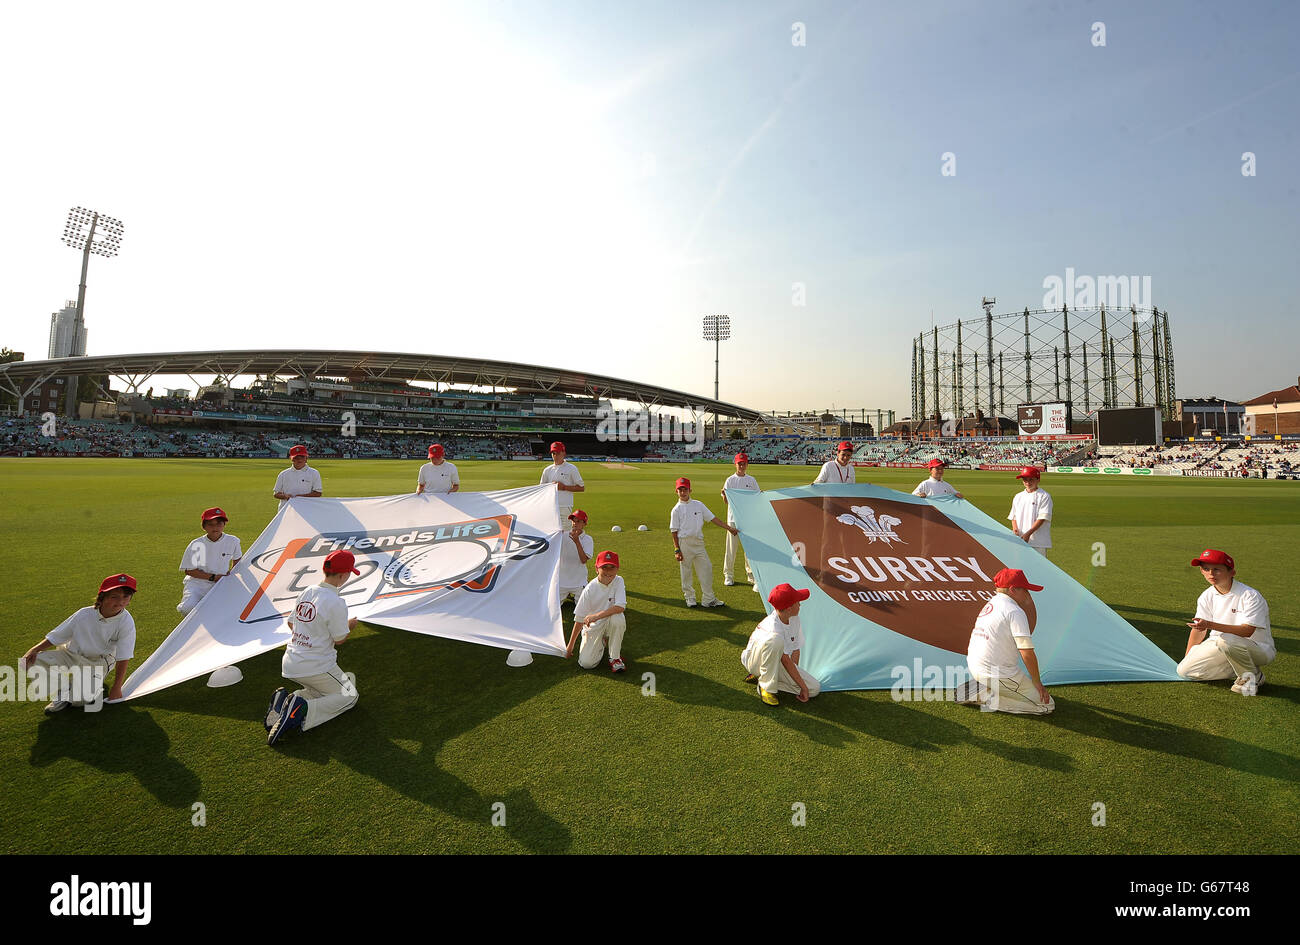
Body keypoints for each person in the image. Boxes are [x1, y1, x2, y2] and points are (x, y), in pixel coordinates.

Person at [266, 549, 360, 746]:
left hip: (291, 663)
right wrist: (350, 625)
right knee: (350, 696)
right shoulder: (336, 602)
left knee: (322, 692)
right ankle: (301, 711)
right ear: (343, 575)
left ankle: (286, 701)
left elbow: (291, 624)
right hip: (316, 665)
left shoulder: (307, 591)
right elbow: (340, 638)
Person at [22, 573, 138, 714]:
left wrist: (116, 687)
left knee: (81, 699)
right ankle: (63, 692)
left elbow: (123, 656)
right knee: (27, 663)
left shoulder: (126, 622)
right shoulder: (84, 614)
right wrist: (33, 650)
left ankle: (83, 686)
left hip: (98, 662)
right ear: (102, 596)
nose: (120, 602)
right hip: (71, 654)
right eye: (115, 596)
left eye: (126, 597)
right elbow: (58, 635)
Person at [1176, 549, 1274, 695]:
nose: (1211, 574)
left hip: (1258, 648)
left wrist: (1209, 625)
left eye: (1217, 569)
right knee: (1184, 671)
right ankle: (1241, 669)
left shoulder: (1250, 596)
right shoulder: (1206, 596)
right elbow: (1198, 629)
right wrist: (1187, 658)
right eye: (1206, 569)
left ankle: (1251, 676)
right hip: (1219, 644)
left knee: (1226, 639)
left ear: (1232, 572)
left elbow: (1247, 631)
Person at [961, 568, 1054, 715]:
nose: (1028, 594)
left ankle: (987, 687)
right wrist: (1037, 682)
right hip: (998, 673)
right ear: (1013, 590)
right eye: (1025, 590)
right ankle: (983, 695)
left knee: (1026, 692)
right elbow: (1026, 652)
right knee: (1046, 705)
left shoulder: (991, 604)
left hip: (976, 667)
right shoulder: (1014, 611)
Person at [740, 583, 820, 706]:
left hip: (777, 661)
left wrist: (796, 680)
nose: (800, 604)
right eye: (797, 602)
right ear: (789, 608)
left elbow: (795, 649)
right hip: (754, 662)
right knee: (775, 640)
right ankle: (765, 687)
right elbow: (786, 661)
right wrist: (802, 687)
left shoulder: (795, 619)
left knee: (814, 689)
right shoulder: (773, 627)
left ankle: (763, 676)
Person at [671, 477, 738, 608]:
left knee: (706, 569)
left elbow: (713, 519)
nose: (683, 492)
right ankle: (690, 598)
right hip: (684, 543)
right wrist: (677, 549)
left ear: (690, 490)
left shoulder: (698, 505)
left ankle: (708, 599)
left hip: (699, 543)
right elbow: (674, 531)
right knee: (686, 572)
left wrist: (729, 528)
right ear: (676, 492)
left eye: (685, 489)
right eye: (680, 490)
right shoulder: (676, 510)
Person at [565, 550, 628, 672]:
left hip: (608, 621)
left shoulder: (619, 580)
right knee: (587, 663)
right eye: (604, 567)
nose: (608, 571)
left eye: (612, 567)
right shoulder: (589, 589)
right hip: (593, 627)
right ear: (596, 568)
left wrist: (596, 616)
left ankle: (614, 658)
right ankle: (602, 641)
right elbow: (579, 619)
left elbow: (620, 607)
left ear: (617, 569)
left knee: (618, 618)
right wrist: (570, 647)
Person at [178, 507, 242, 615]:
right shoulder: (197, 544)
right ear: (204, 527)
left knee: (228, 610)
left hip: (221, 583)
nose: (215, 527)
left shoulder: (233, 541)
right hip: (197, 583)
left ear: (224, 525)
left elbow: (237, 561)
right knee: (187, 608)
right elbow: (189, 571)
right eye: (211, 524)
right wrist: (213, 577)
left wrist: (230, 576)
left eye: (219, 524)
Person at [721, 452, 759, 586]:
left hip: (747, 520)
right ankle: (728, 575)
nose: (742, 466)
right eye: (739, 464)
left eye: (744, 463)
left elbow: (757, 498)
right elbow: (726, 501)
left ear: (747, 464)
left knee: (749, 551)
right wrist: (724, 495)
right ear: (735, 464)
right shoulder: (730, 480)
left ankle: (751, 575)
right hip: (733, 520)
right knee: (731, 549)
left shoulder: (751, 480)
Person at [1008, 466, 1052, 557]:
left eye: (1031, 479)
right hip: (1019, 540)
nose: (1028, 483)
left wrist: (1028, 533)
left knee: (1037, 568)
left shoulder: (1044, 496)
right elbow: (1013, 516)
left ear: (1038, 480)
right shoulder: (1018, 496)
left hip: (1037, 541)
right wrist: (1015, 529)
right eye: (1025, 480)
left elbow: (1042, 518)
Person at [540, 440, 584, 522]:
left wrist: (564, 487)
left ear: (564, 453)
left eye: (558, 453)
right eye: (553, 453)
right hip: (550, 506)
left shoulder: (572, 468)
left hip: (565, 506)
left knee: (565, 533)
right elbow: (541, 489)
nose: (555, 456)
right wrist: (551, 487)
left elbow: (581, 488)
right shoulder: (547, 470)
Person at [558, 510, 594, 604]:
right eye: (574, 520)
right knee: (551, 608)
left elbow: (583, 560)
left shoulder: (588, 539)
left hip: (579, 581)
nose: (575, 523)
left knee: (584, 608)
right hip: (562, 581)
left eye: (578, 521)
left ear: (584, 523)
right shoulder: (563, 536)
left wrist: (577, 541)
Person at [273, 444, 323, 508]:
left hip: (307, 509)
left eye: (302, 457)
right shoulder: (283, 474)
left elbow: (318, 493)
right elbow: (276, 494)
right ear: (291, 459)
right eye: (296, 457)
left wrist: (300, 497)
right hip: (286, 509)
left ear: (306, 458)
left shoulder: (314, 473)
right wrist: (285, 496)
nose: (299, 460)